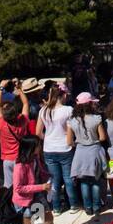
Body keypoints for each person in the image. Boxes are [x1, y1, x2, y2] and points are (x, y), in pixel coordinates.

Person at [12, 135, 61, 224]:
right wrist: (41, 187)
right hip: (28, 201)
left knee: (48, 218)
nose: (40, 147)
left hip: (37, 197)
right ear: (31, 147)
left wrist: (49, 178)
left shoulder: (35, 159)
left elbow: (40, 173)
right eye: (38, 145)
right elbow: (19, 188)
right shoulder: (20, 166)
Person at [36, 85, 77, 214]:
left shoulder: (43, 110)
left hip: (49, 148)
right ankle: (73, 205)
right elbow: (72, 129)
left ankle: (56, 207)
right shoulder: (68, 110)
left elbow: (38, 132)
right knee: (68, 178)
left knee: (54, 179)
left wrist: (48, 138)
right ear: (63, 95)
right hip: (65, 147)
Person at [68, 93, 108, 215]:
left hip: (80, 152)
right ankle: (96, 207)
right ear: (89, 103)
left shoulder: (72, 121)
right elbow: (102, 137)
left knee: (84, 181)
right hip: (94, 151)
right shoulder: (96, 119)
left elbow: (69, 141)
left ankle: (88, 207)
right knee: (95, 180)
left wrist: (79, 143)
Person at [0, 81, 32, 192]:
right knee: (23, 184)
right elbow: (25, 104)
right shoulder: (23, 121)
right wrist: (19, 89)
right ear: (16, 113)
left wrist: (1, 87)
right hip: (21, 158)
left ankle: (12, 206)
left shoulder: (2, 124)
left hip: (7, 159)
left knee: (10, 186)